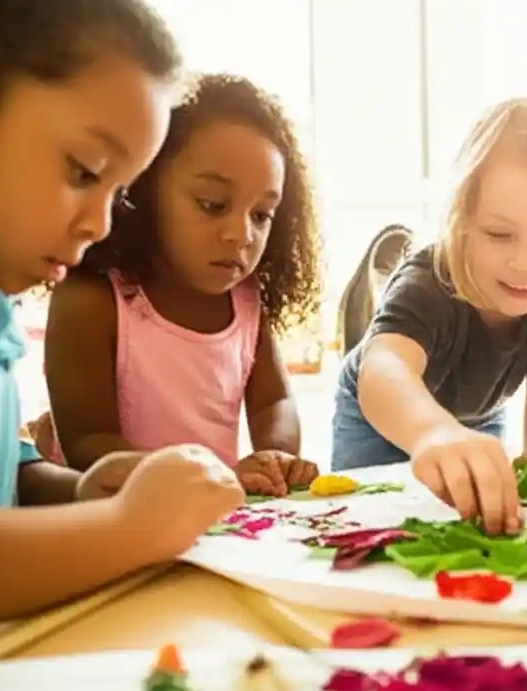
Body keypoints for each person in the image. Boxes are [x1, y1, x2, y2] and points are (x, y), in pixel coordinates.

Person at [0, 0, 243, 640]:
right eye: (84, 171)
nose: (100, 224)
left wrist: (80, 494)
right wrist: (128, 531)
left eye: (117, 192)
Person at [331, 98, 527, 535]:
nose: (525, 264)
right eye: (499, 234)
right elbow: (384, 370)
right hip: (379, 418)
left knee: (473, 518)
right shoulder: (429, 280)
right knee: (377, 526)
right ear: (461, 219)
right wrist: (432, 433)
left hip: (476, 416)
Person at [44, 74, 323, 497]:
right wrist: (198, 479)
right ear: (144, 188)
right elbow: (87, 442)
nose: (240, 234)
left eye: (262, 215)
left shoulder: (246, 302)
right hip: (109, 523)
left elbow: (273, 402)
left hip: (205, 520)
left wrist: (275, 456)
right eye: (213, 205)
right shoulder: (93, 298)